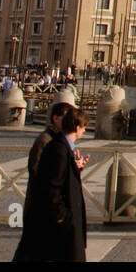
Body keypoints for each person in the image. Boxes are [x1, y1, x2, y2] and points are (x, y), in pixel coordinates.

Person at [14, 108, 89, 262]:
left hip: (62, 222)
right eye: (84, 127)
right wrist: (62, 217)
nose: (84, 131)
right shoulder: (58, 148)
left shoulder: (63, 147)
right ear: (77, 128)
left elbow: (60, 176)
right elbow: (52, 186)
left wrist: (76, 167)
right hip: (58, 224)